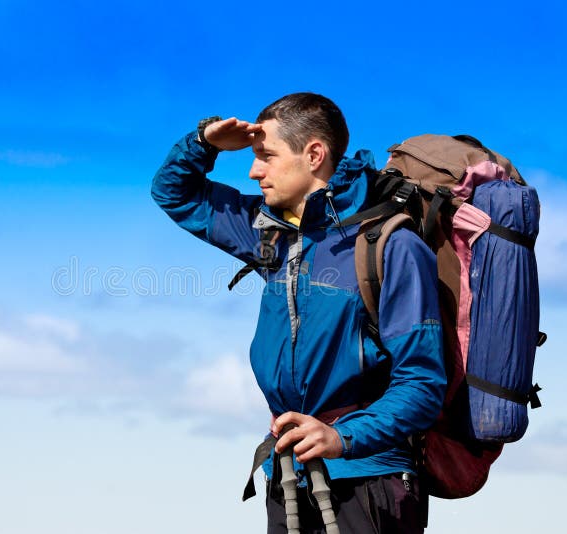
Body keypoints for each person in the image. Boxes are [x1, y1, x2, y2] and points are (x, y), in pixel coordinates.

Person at [151, 92, 446, 533]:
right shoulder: (270, 232)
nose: (254, 171)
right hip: (289, 474)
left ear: (314, 155)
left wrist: (342, 437)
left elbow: (423, 383)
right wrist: (204, 141)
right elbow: (174, 194)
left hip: (368, 480)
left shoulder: (390, 245)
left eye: (266, 156)